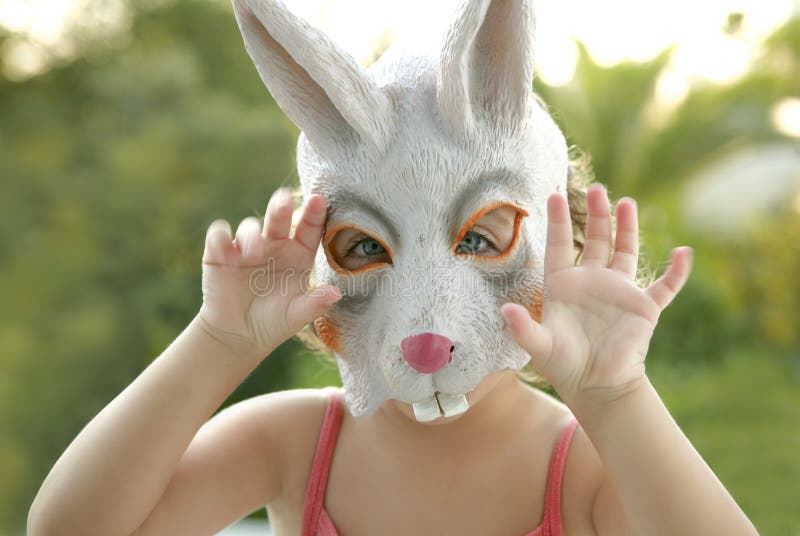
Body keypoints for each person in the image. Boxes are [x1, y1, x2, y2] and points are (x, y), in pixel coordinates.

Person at [28, 0, 759, 534]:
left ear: (555, 245)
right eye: (365, 247)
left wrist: (614, 394)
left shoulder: (588, 472)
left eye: (483, 237)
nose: (426, 326)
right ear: (321, 264)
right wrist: (219, 344)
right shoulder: (291, 444)